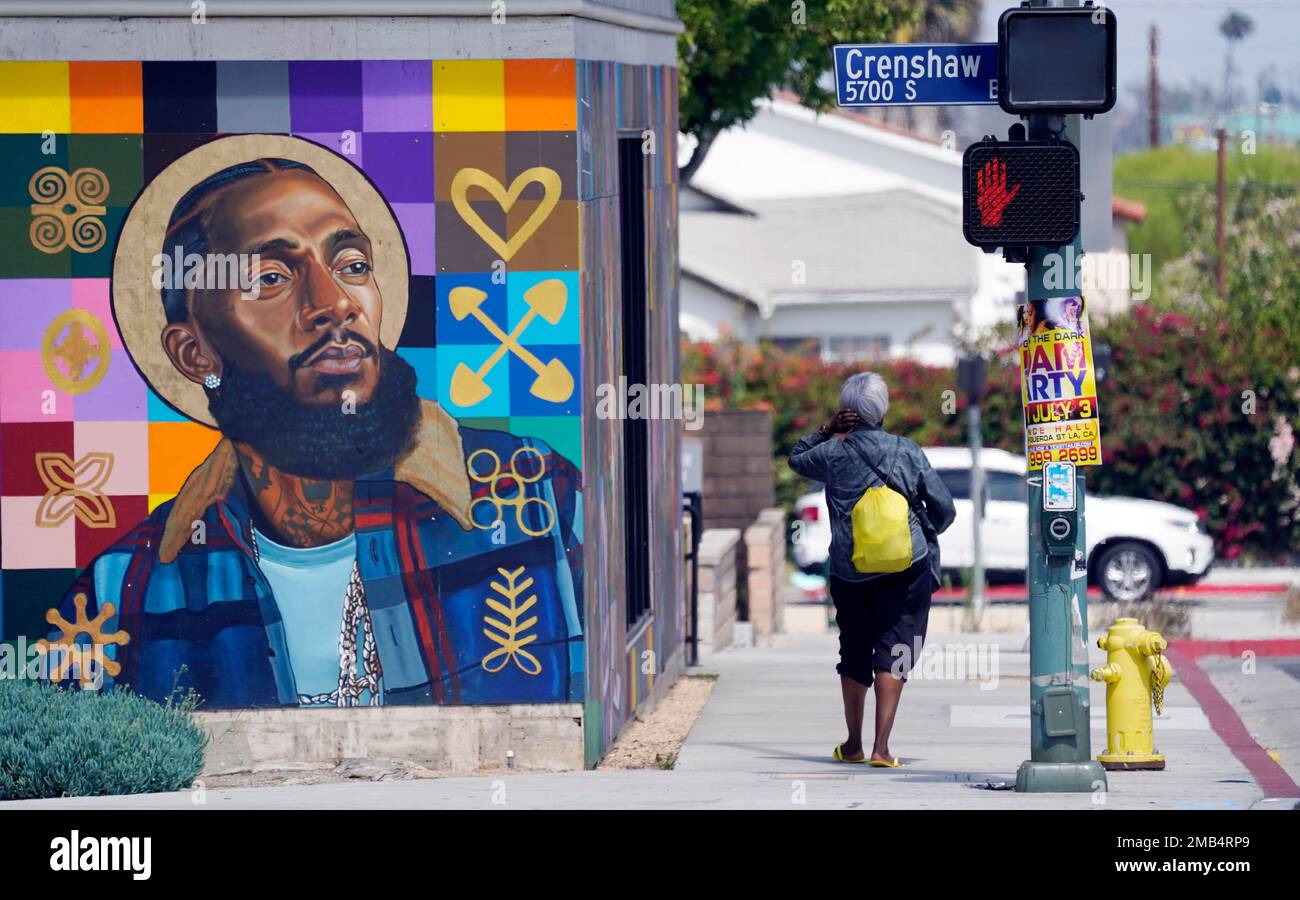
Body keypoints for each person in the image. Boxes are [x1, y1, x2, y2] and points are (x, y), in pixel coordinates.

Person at [48, 146, 583, 708]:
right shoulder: (122, 590)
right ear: (194, 353)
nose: (334, 303)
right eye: (273, 276)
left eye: (352, 266)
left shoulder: (535, 497)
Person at [788, 372, 955, 766]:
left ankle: (853, 745)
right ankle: (882, 748)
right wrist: (923, 529)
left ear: (847, 411)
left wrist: (827, 429)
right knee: (897, 646)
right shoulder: (906, 450)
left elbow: (796, 457)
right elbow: (944, 508)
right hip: (906, 566)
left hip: (850, 569)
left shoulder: (831, 453)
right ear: (883, 409)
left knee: (855, 648)